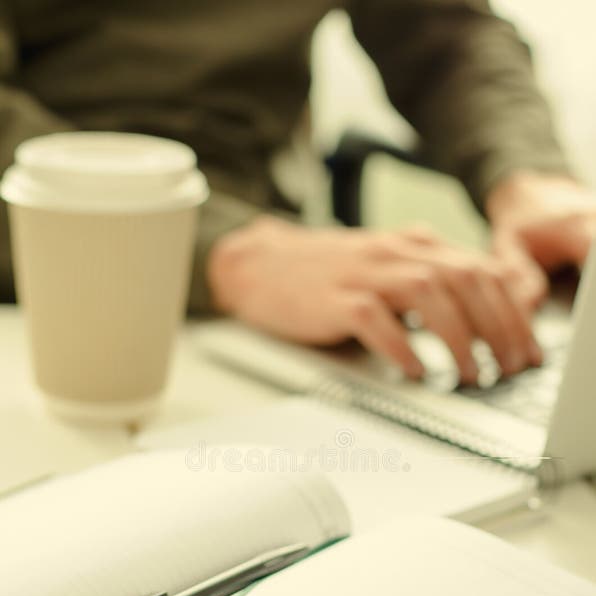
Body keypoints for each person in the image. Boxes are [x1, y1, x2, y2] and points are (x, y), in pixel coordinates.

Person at [0, 0, 594, 383]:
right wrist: (231, 252)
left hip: (265, 284)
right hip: (40, 288)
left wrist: (529, 177)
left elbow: (447, 34)